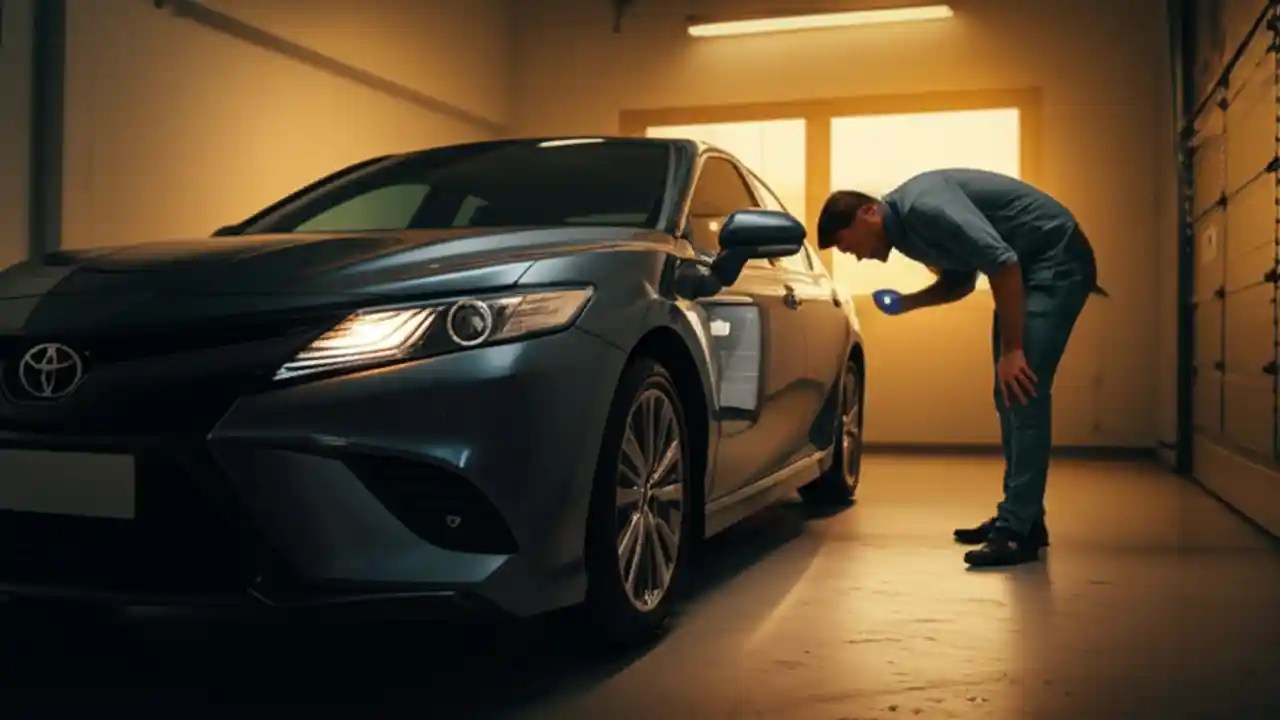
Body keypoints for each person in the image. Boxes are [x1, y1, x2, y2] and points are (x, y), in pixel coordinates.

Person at [816, 167, 1105, 568]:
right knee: (1010, 393)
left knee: (1023, 390)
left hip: (1053, 258)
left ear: (868, 213)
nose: (860, 258)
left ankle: (1017, 530)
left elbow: (1002, 262)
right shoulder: (908, 234)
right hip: (1026, 268)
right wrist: (907, 302)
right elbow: (962, 282)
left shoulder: (922, 208)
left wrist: (1014, 349)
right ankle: (1023, 518)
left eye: (851, 248)